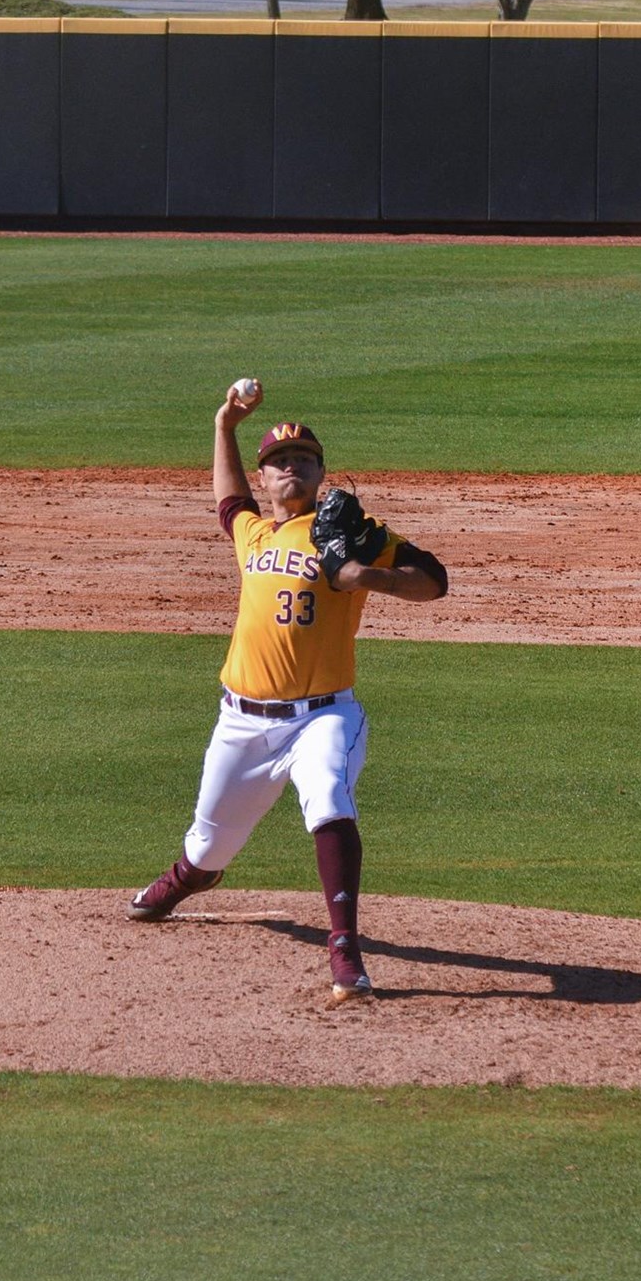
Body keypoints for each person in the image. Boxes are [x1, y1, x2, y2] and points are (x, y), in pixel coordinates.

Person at [126, 379, 448, 1004]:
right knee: (209, 846)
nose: (290, 468)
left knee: (328, 797)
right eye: (278, 462)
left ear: (322, 473)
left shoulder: (351, 532)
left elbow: (434, 581)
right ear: (265, 479)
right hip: (240, 722)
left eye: (303, 459)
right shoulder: (252, 534)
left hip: (323, 716)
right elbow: (227, 502)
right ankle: (183, 879)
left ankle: (345, 948)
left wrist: (368, 577)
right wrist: (225, 425)